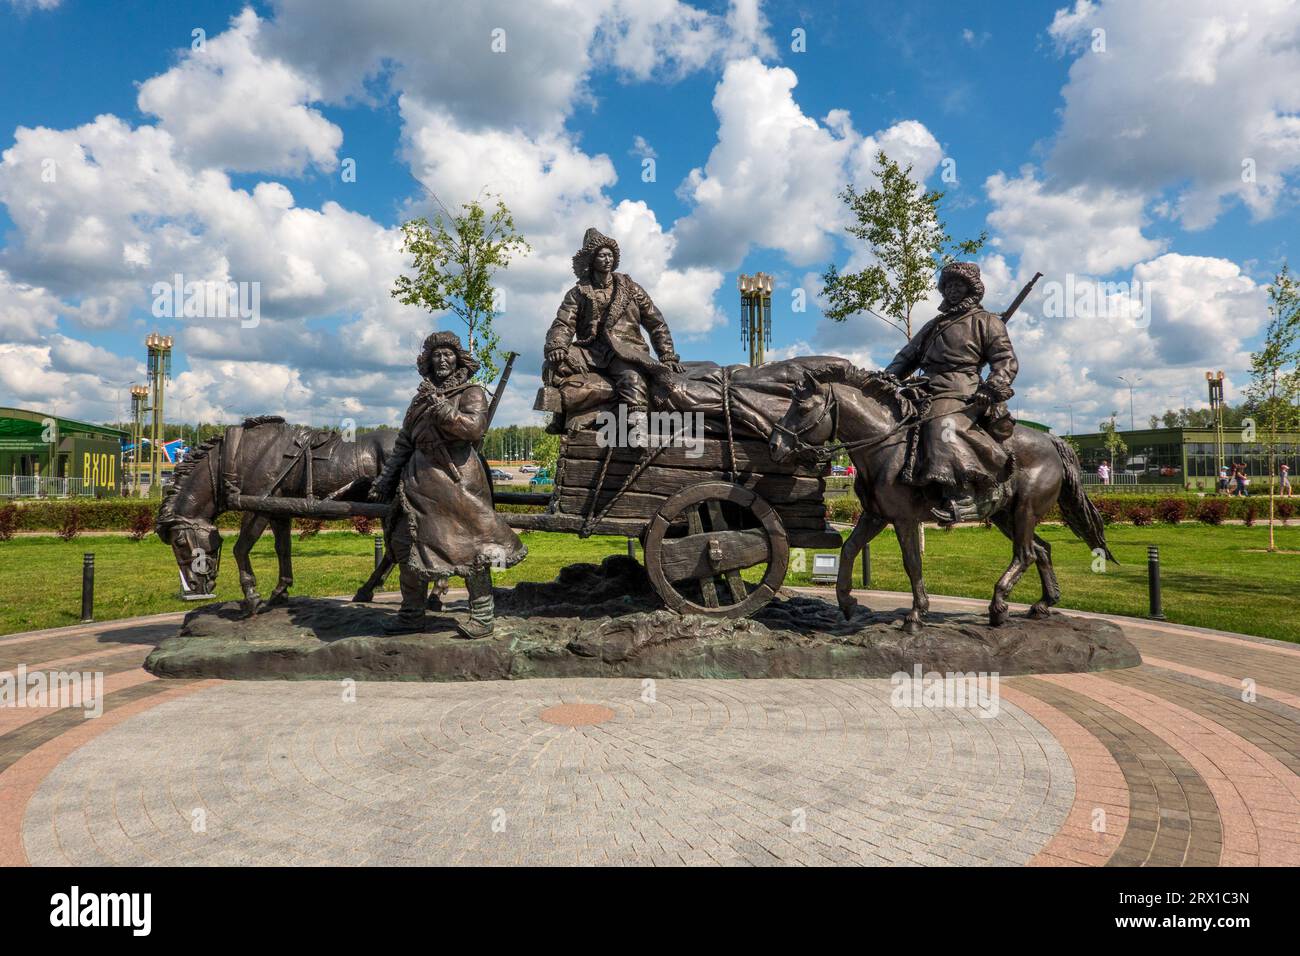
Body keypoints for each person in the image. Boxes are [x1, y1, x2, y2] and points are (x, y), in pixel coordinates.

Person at [368, 331, 527, 637]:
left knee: (472, 549)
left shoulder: (471, 393)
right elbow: (405, 441)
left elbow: (474, 429)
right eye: (435, 355)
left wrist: (442, 409)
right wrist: (386, 477)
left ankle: (482, 616)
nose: (441, 360)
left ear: (458, 360)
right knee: (407, 544)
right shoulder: (420, 398)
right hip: (417, 483)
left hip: (458, 482)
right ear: (427, 362)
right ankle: (411, 613)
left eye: (447, 354)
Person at [883, 261, 1018, 525]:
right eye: (948, 285)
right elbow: (906, 356)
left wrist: (993, 386)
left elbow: (1005, 360)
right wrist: (887, 378)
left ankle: (963, 493)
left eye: (959, 285)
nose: (953, 290)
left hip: (963, 389)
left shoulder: (987, 322)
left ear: (971, 289)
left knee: (940, 421)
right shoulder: (935, 324)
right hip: (926, 387)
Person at [545, 227, 684, 444]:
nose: (607, 259)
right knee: (554, 364)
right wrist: (557, 346)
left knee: (630, 375)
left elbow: (656, 323)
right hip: (592, 350)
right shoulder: (578, 292)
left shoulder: (631, 289)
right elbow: (563, 323)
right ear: (592, 259)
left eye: (610, 254)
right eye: (602, 255)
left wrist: (667, 355)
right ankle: (560, 414)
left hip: (625, 347)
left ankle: (638, 423)